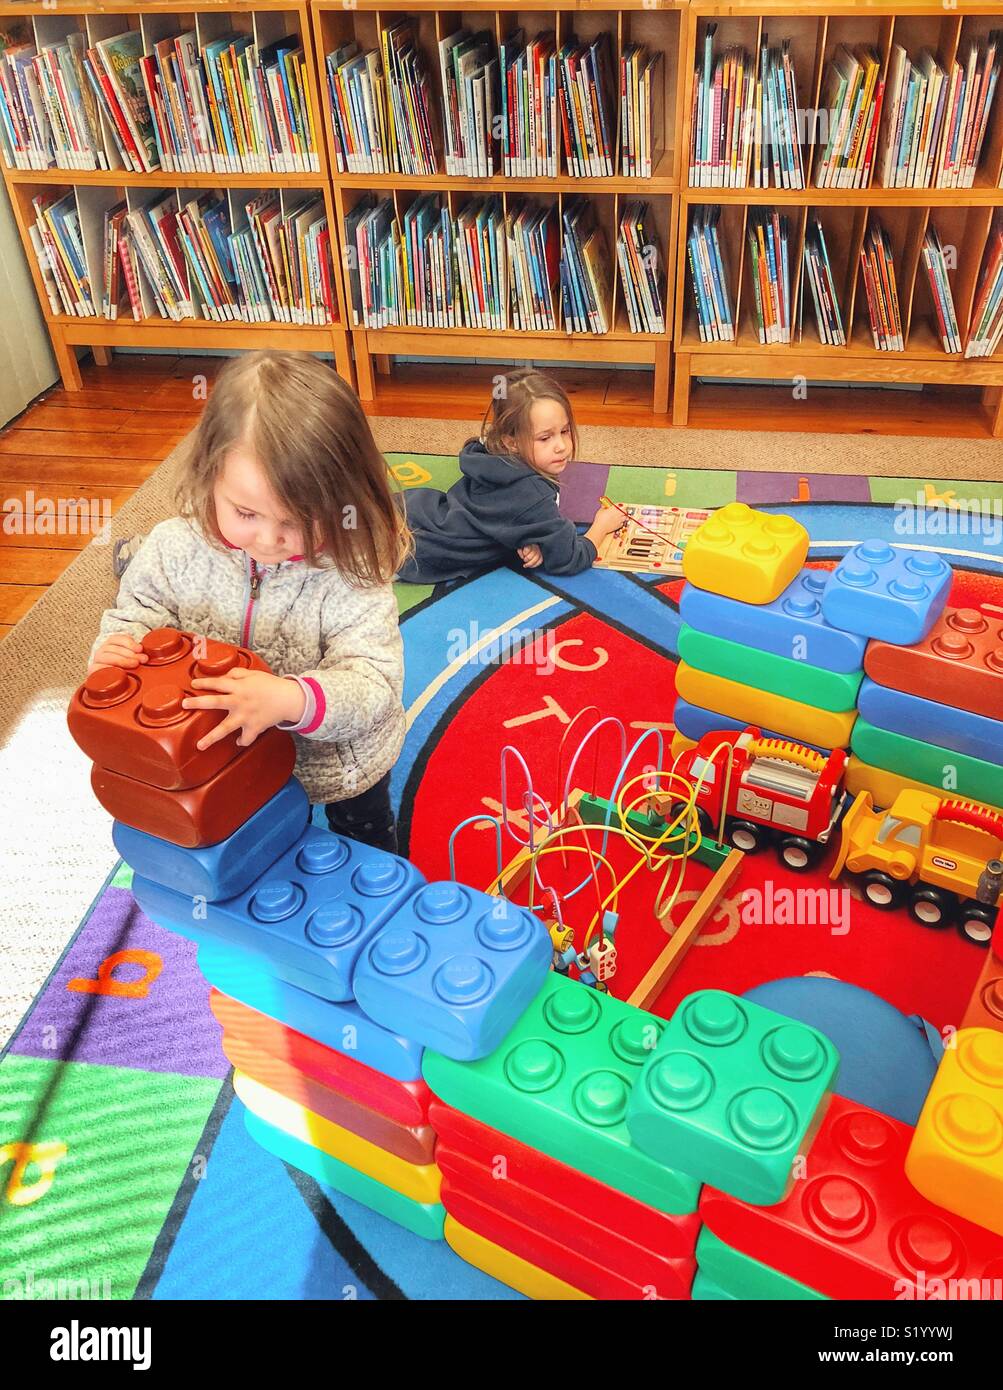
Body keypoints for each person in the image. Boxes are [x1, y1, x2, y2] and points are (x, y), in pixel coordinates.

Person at [90, 350, 408, 854]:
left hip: (341, 761)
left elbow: (375, 685)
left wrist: (291, 699)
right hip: (227, 759)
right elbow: (137, 611)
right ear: (209, 474)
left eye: (298, 520)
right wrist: (118, 650)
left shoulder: (353, 570)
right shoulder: (174, 547)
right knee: (265, 846)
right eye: (245, 513)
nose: (269, 539)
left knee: (366, 841)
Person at [396, 368, 624, 584]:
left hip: (414, 509)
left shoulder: (489, 453)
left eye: (564, 432)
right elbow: (569, 558)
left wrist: (529, 538)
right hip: (411, 547)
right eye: (545, 438)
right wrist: (601, 526)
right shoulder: (532, 496)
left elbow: (507, 516)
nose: (561, 446)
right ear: (511, 442)